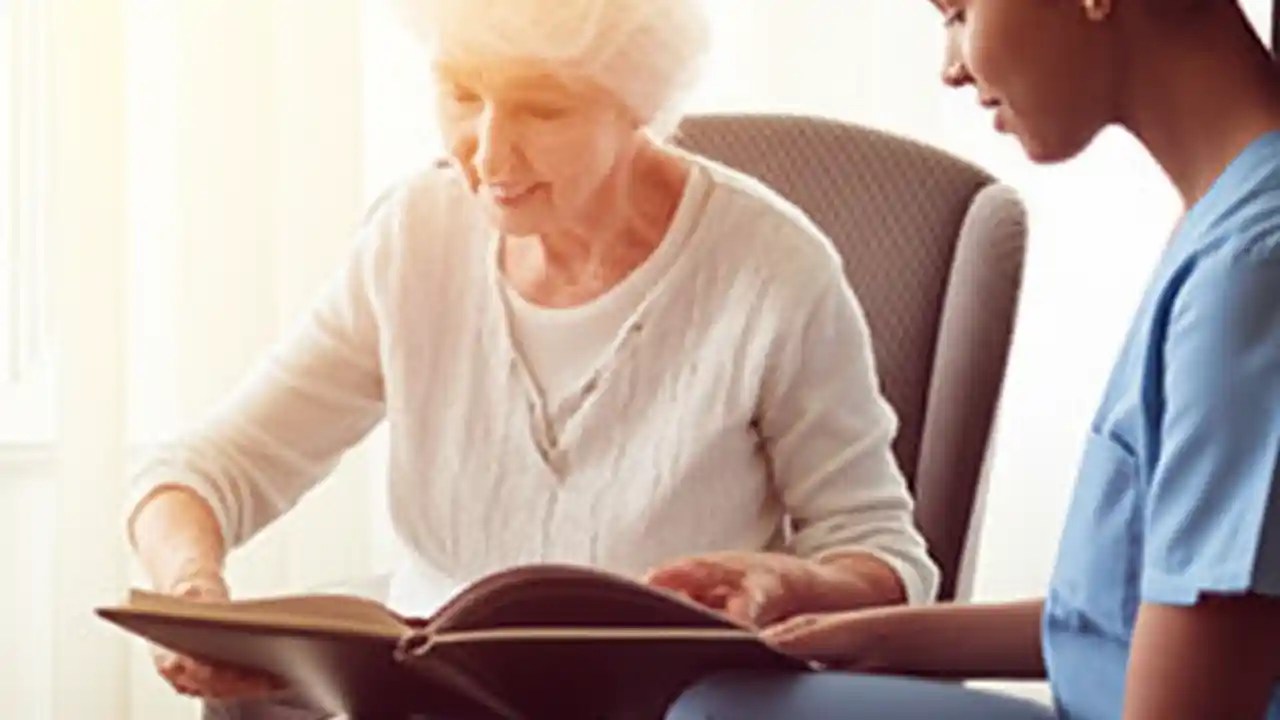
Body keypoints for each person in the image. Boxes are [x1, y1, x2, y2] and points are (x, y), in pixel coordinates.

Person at [123, 0, 940, 712]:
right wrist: (192, 590)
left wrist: (796, 586)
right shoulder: (414, 239)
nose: (488, 153)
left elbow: (885, 552)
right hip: (430, 704)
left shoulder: (773, 269)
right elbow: (206, 469)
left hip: (671, 708)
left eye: (542, 109)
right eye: (463, 94)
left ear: (636, 106)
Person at [666, 0, 1280, 718]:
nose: (951, 66)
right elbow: (1119, 622)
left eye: (958, 10)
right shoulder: (1226, 227)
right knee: (725, 697)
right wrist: (843, 633)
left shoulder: (1251, 271)